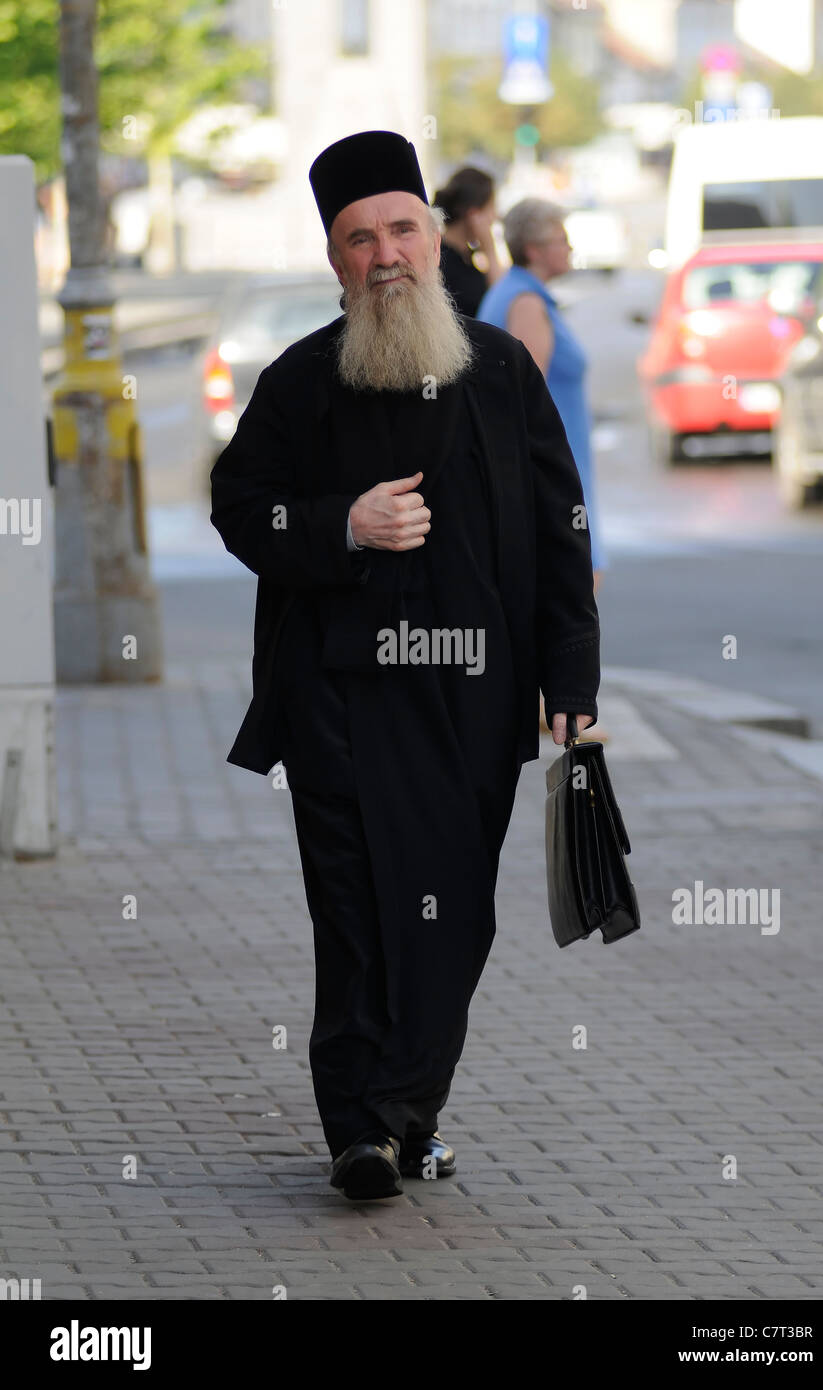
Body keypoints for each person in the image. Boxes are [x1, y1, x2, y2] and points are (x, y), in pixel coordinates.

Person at [210, 131, 600, 1203]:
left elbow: (562, 536)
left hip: (470, 701)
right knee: (354, 913)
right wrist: (343, 523)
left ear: (432, 239)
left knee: (450, 917)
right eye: (357, 237)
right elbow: (241, 509)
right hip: (335, 697)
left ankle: (406, 1113)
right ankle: (364, 1129)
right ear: (333, 258)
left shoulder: (502, 374)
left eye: (399, 229)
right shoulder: (297, 382)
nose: (383, 253)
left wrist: (571, 688)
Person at [477, 198, 608, 584]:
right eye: (560, 238)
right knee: (576, 593)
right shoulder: (526, 301)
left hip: (556, 470)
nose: (568, 247)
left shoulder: (515, 291)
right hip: (552, 475)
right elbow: (526, 403)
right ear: (534, 249)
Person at [434, 166, 504, 316]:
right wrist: (490, 251)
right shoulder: (447, 263)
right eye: (491, 208)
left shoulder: (459, 256)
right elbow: (502, 303)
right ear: (473, 215)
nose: (495, 217)